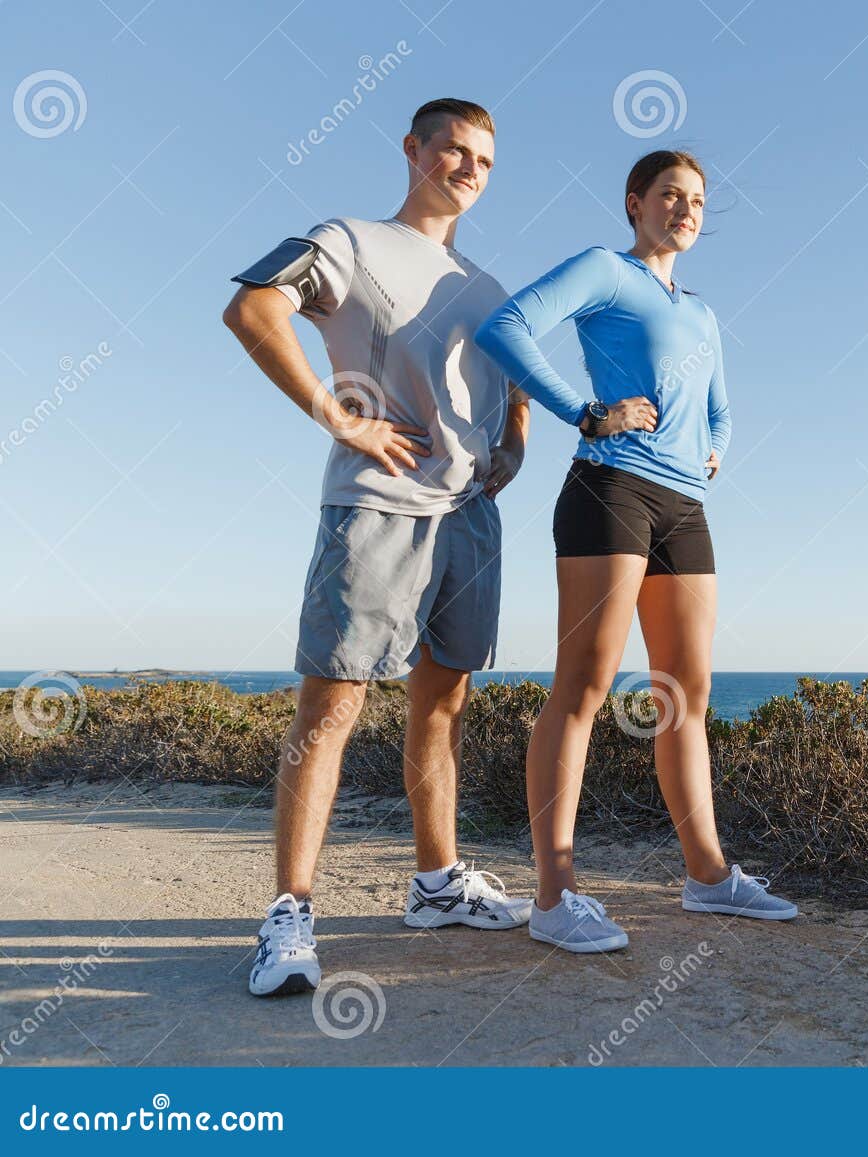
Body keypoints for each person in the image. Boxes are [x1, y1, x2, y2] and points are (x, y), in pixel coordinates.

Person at [222, 98, 534, 997]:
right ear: (414, 150)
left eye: (484, 157)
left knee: (442, 707)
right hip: (375, 505)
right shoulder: (350, 239)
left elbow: (511, 376)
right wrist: (333, 411)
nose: (469, 167)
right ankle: (288, 913)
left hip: (468, 516)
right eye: (454, 149)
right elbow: (252, 311)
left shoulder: (488, 283)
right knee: (330, 708)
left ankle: (436, 884)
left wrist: (513, 442)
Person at [475, 149, 796, 953]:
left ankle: (709, 875)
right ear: (635, 203)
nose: (685, 209)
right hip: (608, 489)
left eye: (695, 200)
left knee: (685, 691)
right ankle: (554, 896)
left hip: (684, 504)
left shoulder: (702, 312)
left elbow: (722, 408)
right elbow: (504, 327)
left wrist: (715, 446)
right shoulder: (605, 272)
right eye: (669, 195)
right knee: (583, 687)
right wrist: (584, 411)